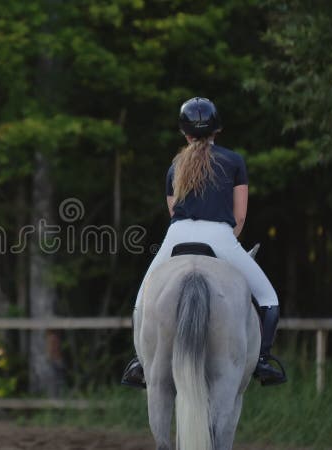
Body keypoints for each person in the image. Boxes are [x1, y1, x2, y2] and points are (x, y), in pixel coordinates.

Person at [120, 97, 287, 388]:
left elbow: (174, 213)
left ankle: (140, 363)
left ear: (185, 133)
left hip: (178, 236)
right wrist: (225, 249)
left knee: (141, 301)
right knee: (269, 299)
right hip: (221, 236)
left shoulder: (174, 168)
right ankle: (262, 360)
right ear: (217, 130)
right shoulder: (234, 161)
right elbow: (240, 217)